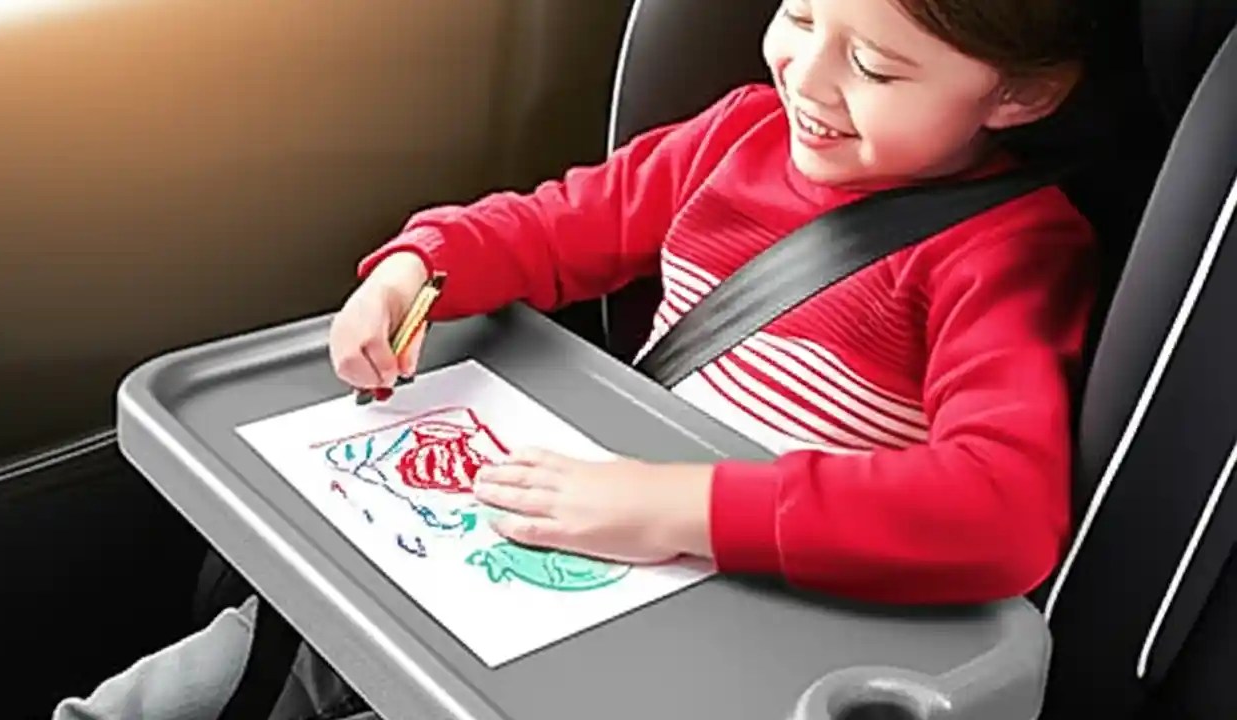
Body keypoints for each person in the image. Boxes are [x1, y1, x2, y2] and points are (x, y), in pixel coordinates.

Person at [53, 1, 1096, 717]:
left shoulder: (1005, 251)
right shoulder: (738, 135)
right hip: (547, 536)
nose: (807, 75)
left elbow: (997, 510)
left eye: (873, 67)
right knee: (229, 665)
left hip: (724, 611)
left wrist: (670, 508)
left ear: (1020, 94)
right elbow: (557, 225)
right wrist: (419, 267)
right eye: (799, 14)